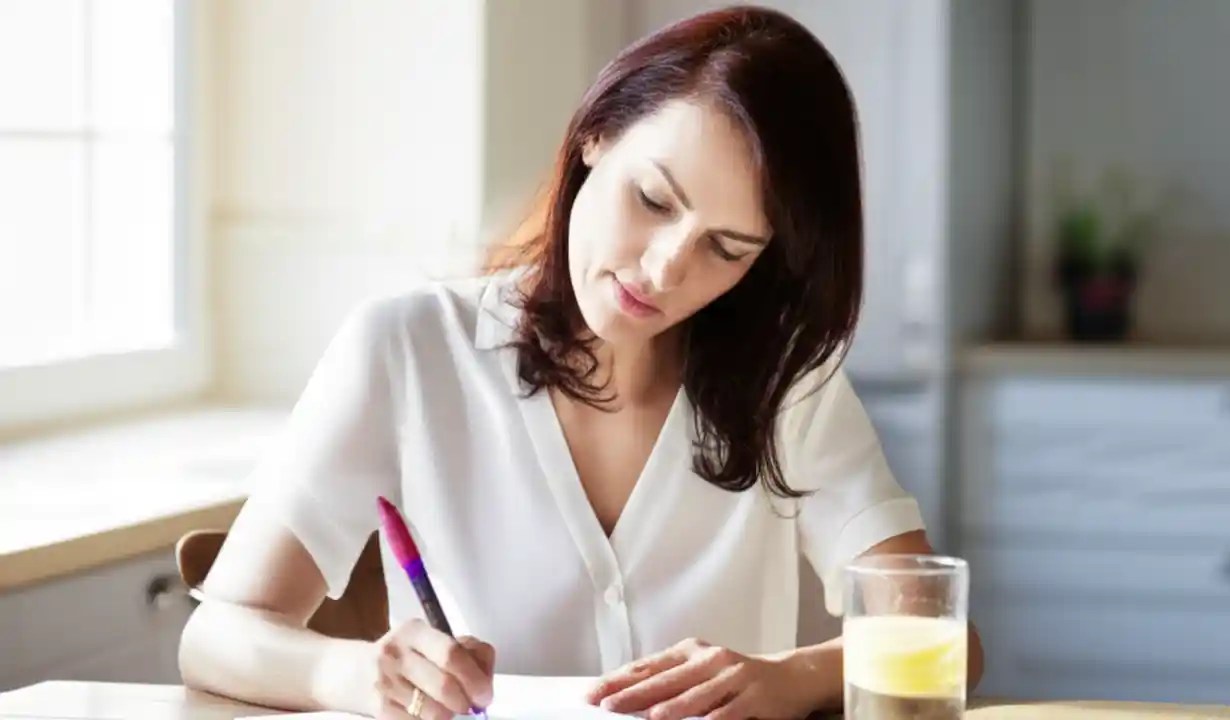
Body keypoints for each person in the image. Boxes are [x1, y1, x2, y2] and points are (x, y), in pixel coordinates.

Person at [178, 6, 984, 719]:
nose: (666, 269)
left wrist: (792, 677)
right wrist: (354, 675)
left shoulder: (788, 387)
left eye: (727, 248)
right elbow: (215, 637)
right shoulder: (406, 350)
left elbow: (945, 642)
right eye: (654, 201)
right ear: (596, 134)